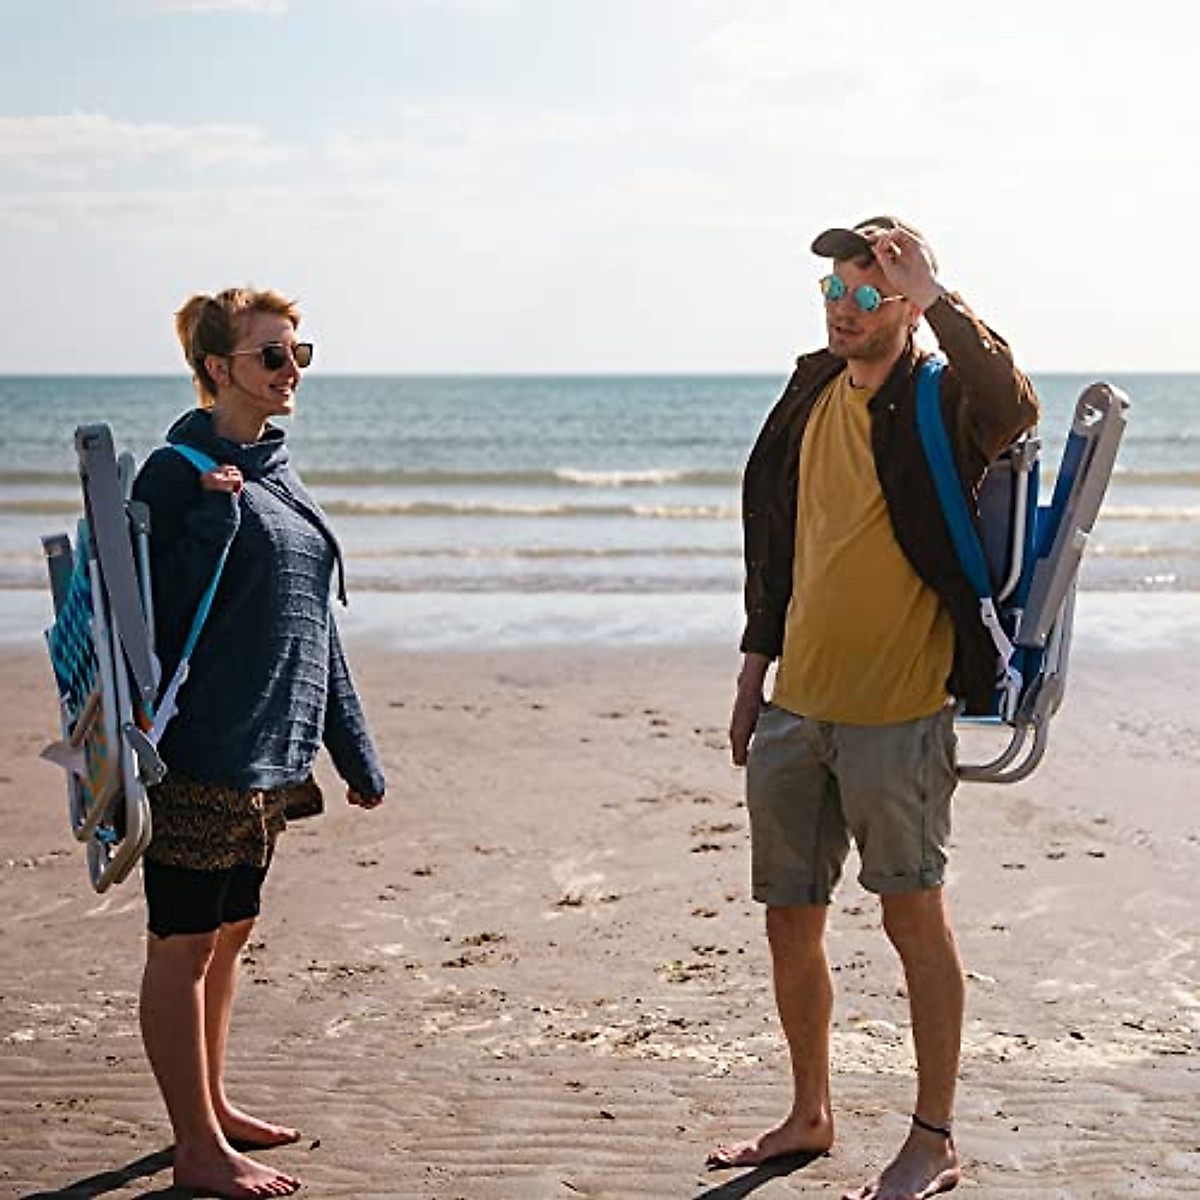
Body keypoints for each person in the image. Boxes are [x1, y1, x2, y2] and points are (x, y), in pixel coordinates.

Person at [708, 217, 1038, 1200]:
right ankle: (809, 1113)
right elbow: (777, 541)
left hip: (899, 713)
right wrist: (751, 672)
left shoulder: (938, 399)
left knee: (912, 917)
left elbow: (1014, 406)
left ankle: (933, 1139)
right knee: (788, 918)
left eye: (867, 293)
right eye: (834, 293)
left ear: (904, 303)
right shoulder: (808, 391)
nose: (844, 310)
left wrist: (940, 290)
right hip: (794, 710)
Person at [132, 287, 386, 1199]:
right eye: (271, 355)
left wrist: (350, 747)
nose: (291, 371)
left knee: (231, 935)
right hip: (198, 754)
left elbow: (314, 625)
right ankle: (197, 1147)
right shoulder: (174, 471)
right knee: (182, 944)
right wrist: (209, 517)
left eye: (297, 353)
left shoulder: (280, 471)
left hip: (269, 757)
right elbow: (152, 620)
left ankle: (213, 1106)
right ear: (216, 370)